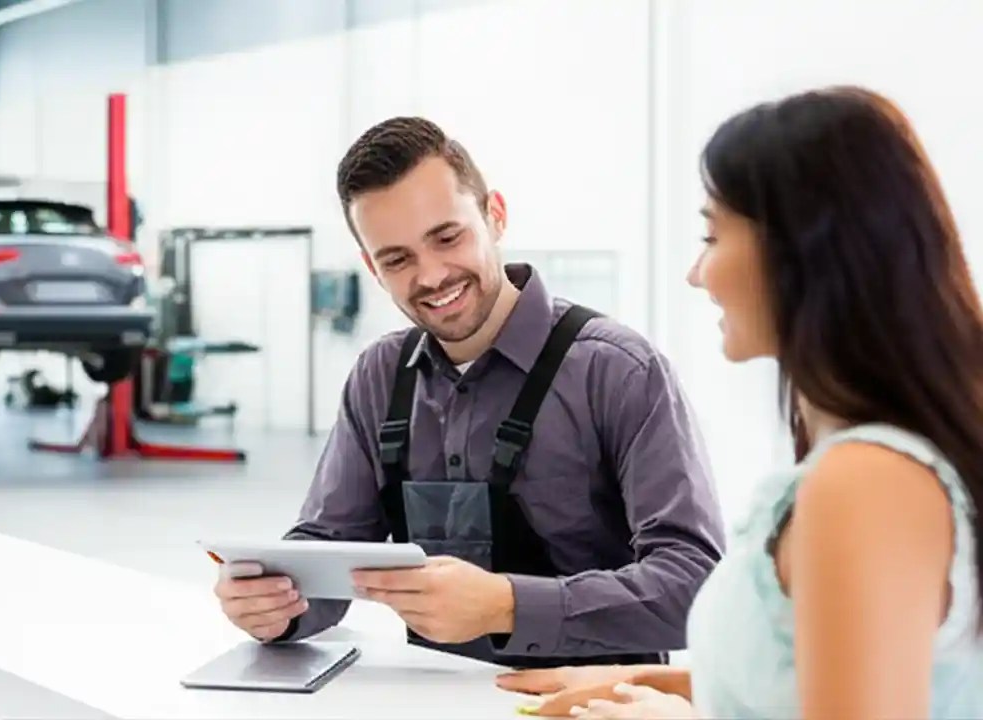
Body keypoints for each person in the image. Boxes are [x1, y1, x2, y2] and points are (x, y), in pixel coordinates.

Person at [497, 86, 983, 718]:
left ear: (799, 252)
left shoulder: (867, 482)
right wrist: (653, 684)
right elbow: (805, 685)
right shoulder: (850, 469)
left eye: (712, 235)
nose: (696, 273)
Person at [213, 116, 726, 669]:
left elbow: (696, 585)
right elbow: (327, 545)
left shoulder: (618, 372)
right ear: (372, 267)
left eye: (447, 237)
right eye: (398, 259)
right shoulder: (380, 376)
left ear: (495, 215)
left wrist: (507, 606)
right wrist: (279, 604)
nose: (431, 275)